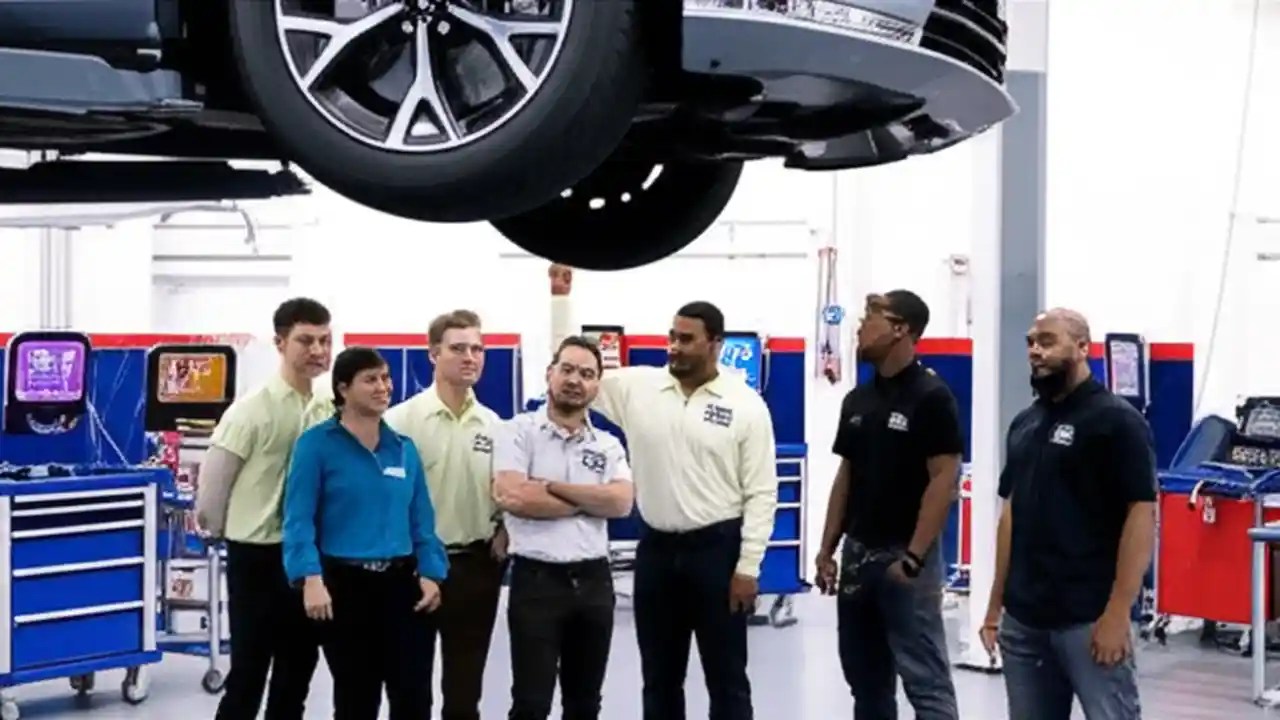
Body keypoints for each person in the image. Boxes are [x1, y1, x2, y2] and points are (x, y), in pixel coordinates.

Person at [547, 264, 778, 720]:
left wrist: (748, 568)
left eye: (686, 338)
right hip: (655, 552)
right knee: (659, 676)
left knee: (727, 677)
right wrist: (560, 300)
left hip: (719, 553)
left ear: (716, 344)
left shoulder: (746, 406)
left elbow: (761, 492)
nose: (674, 346)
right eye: (671, 336)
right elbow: (569, 372)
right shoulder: (639, 387)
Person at [979, 308, 1155, 720]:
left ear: (1082, 348)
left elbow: (1141, 516)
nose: (1035, 351)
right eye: (1030, 343)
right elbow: (1011, 517)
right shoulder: (1025, 424)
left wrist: (1117, 614)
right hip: (1025, 620)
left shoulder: (1116, 421)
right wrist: (994, 607)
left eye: (1047, 341)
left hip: (1088, 618)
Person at [813, 290, 964, 720]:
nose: (861, 327)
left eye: (871, 318)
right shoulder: (857, 400)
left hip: (904, 559)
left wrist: (914, 558)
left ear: (901, 329)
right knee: (866, 682)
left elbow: (943, 481)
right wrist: (828, 549)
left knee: (926, 684)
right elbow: (847, 477)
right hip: (859, 556)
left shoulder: (932, 396)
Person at [282, 346, 449, 720]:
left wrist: (432, 573)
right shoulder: (316, 446)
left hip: (403, 587)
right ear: (343, 388)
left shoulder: (404, 450)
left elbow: (422, 519)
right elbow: (298, 519)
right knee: (357, 698)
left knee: (414, 697)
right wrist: (309, 578)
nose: (382, 387)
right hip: (345, 587)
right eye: (370, 379)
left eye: (386, 378)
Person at [195, 297, 333, 720]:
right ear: (279, 343)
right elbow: (212, 490)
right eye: (305, 340)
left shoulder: (327, 409)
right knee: (249, 674)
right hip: (256, 557)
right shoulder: (251, 411)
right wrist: (215, 529)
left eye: (325, 341)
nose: (317, 351)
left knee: (297, 674)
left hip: (306, 559)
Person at [492, 335, 635, 720]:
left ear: (596, 386)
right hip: (536, 583)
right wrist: (590, 501)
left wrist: (551, 486)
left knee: (585, 703)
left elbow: (621, 502)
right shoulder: (517, 431)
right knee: (531, 703)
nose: (575, 380)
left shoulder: (608, 444)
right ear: (549, 374)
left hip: (594, 583)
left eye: (587, 374)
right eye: (567, 369)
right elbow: (515, 497)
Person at [383, 309, 507, 720]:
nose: (470, 356)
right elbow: (383, 501)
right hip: (411, 570)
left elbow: (506, 493)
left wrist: (506, 528)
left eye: (477, 348)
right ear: (434, 353)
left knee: (464, 691)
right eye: (458, 348)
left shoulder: (494, 426)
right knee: (409, 689)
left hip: (475, 568)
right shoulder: (398, 424)